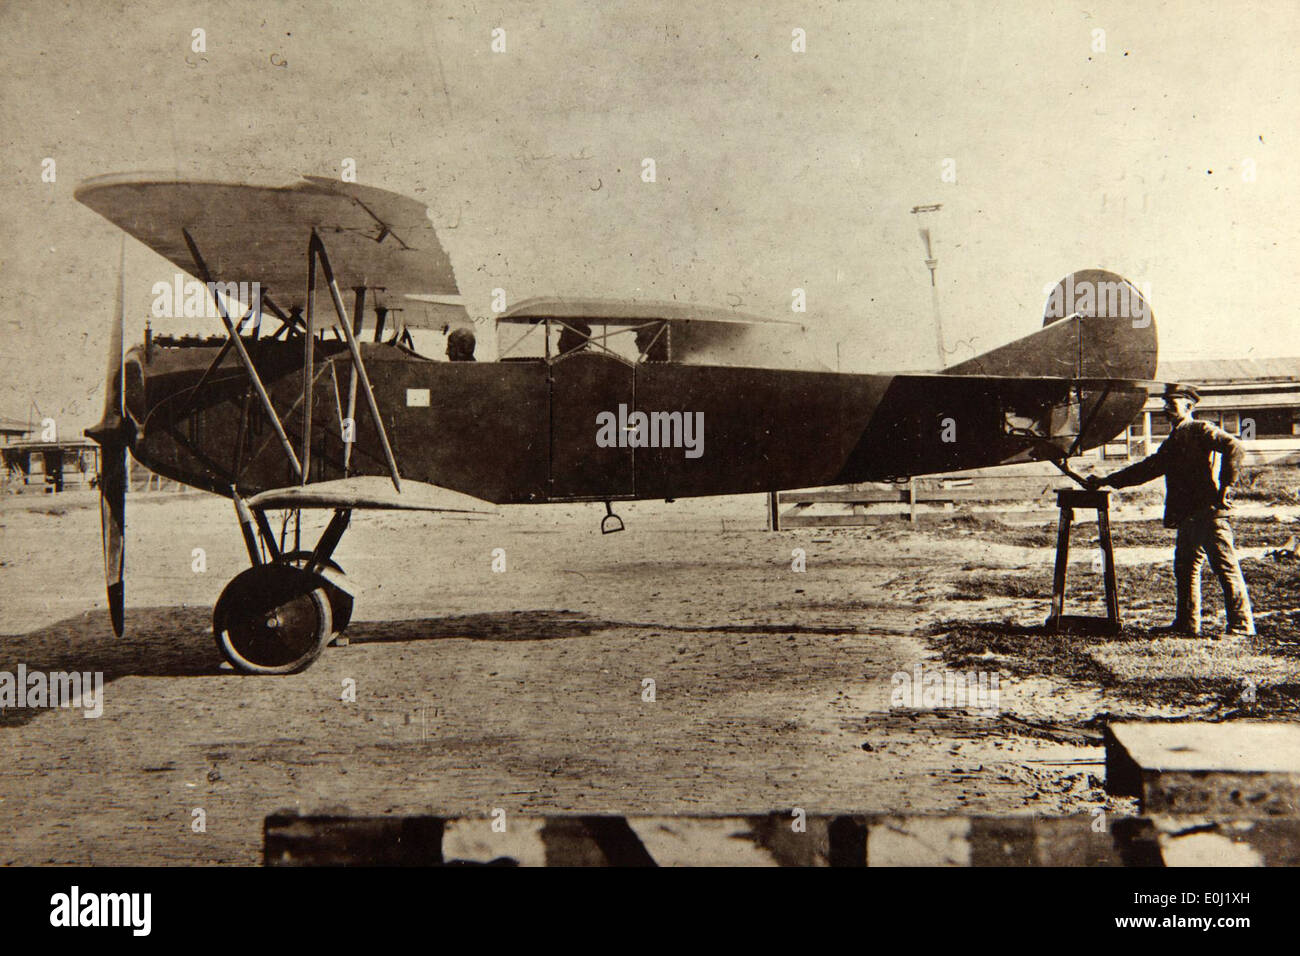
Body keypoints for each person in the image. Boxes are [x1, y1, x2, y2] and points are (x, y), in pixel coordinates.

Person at [1088, 385, 1255, 637]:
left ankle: (1242, 626)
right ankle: (1186, 624)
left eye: (1172, 404)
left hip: (1208, 514)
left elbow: (1235, 446)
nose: (1166, 409)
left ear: (1189, 407)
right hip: (1188, 516)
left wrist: (1226, 487)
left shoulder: (1200, 429)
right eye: (1165, 404)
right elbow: (1148, 468)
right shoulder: (1174, 440)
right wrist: (1106, 480)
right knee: (1185, 568)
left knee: (1225, 568)